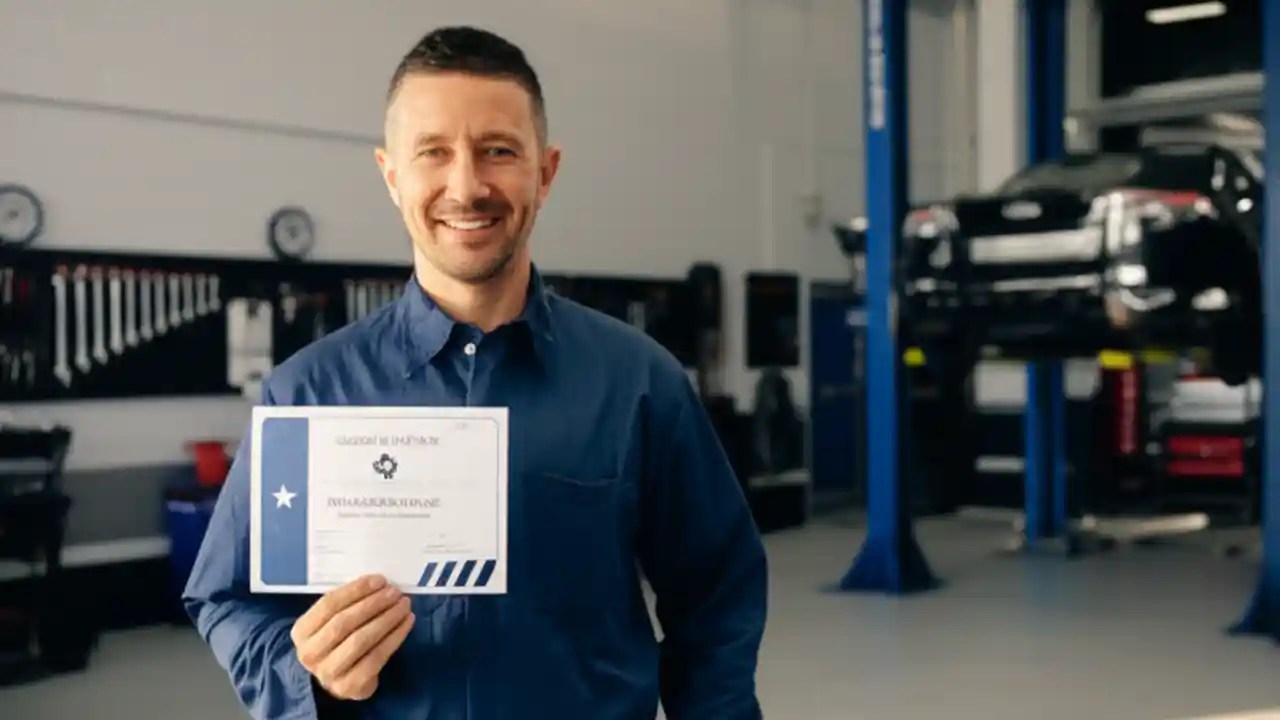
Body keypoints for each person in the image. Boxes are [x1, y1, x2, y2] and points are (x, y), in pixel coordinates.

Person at [183, 25, 768, 720]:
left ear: (545, 173)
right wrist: (305, 675)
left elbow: (717, 592)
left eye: (498, 150)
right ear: (391, 175)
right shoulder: (307, 394)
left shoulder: (640, 383)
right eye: (433, 152)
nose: (466, 186)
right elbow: (225, 596)